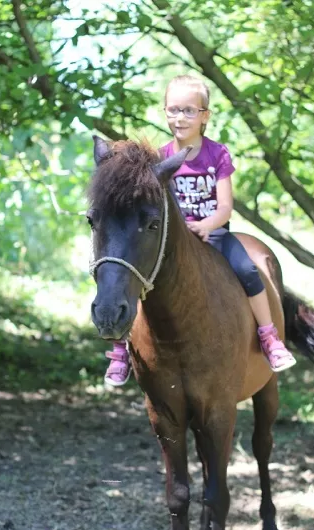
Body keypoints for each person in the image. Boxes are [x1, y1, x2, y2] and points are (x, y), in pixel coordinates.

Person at [104, 74, 296, 386]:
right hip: (172, 243)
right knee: (137, 275)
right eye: (173, 110)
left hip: (214, 235)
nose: (180, 118)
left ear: (204, 116)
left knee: (248, 270)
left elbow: (224, 207)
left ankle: (269, 337)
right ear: (165, 113)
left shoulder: (216, 154)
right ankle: (121, 349)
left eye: (189, 111)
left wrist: (206, 226)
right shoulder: (160, 159)